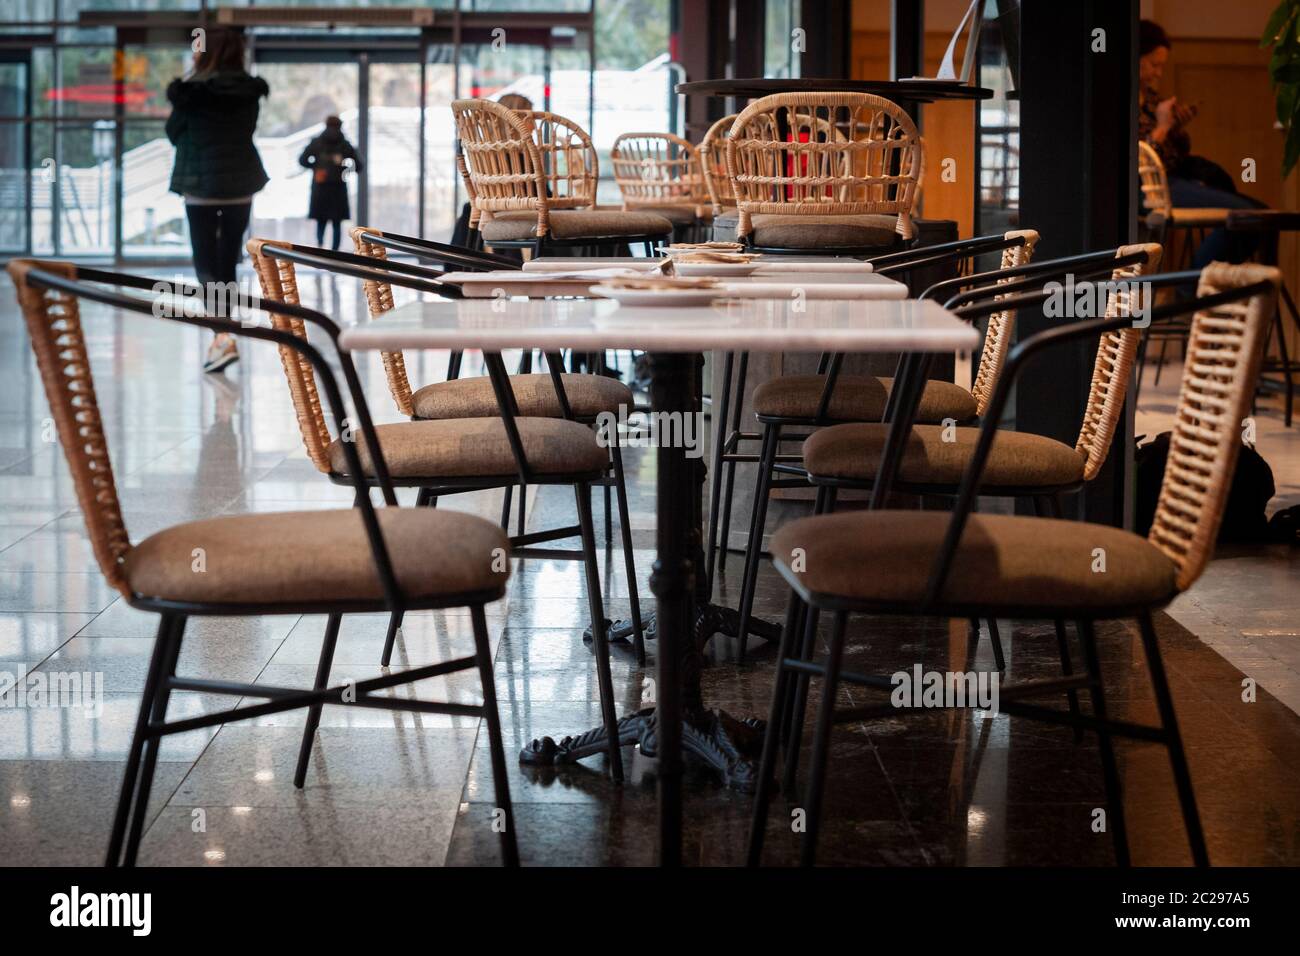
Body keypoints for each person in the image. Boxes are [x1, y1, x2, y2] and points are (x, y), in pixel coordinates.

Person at [166, 28, 269, 374]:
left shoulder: (190, 92)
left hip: (200, 185)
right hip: (240, 182)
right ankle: (223, 334)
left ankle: (222, 335)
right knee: (227, 260)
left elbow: (173, 132)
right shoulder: (249, 91)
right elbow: (248, 129)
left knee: (206, 264)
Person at [1138, 19, 1266, 268]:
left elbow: (1176, 152)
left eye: (1162, 67)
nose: (1158, 73)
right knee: (1248, 217)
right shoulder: (1124, 97)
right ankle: (1194, 283)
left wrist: (1175, 125)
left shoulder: (1152, 99)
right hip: (1151, 187)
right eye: (1154, 65)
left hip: (1176, 178)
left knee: (1260, 213)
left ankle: (1203, 280)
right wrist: (1163, 126)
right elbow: (1138, 160)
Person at [298, 116, 364, 251]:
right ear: (340, 126)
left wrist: (316, 166)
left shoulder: (316, 142)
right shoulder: (344, 144)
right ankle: (335, 252)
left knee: (321, 220)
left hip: (320, 187)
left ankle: (320, 247)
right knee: (336, 222)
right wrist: (345, 169)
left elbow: (302, 160)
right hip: (338, 187)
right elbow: (359, 166)